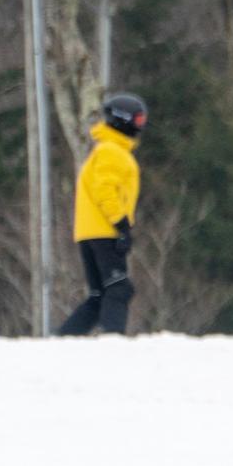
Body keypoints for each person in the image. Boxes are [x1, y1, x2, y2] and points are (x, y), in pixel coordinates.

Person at [58, 93, 147, 336]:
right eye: (137, 120)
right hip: (103, 230)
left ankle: (62, 341)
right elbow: (104, 190)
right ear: (123, 120)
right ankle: (112, 341)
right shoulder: (112, 151)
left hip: (90, 230)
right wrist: (121, 225)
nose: (140, 126)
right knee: (119, 289)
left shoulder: (106, 150)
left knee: (100, 294)